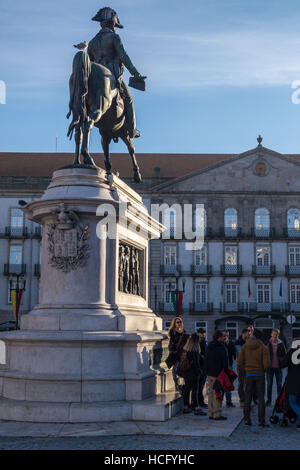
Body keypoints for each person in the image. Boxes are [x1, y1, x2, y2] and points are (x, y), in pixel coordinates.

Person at [87, 7, 143, 139]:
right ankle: (132, 129)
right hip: (111, 75)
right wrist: (135, 73)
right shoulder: (114, 37)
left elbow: (89, 64)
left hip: (94, 78)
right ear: (113, 23)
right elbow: (123, 56)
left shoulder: (92, 42)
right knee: (129, 100)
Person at [238, 328, 270, 427]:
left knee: (247, 397)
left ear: (253, 335)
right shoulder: (264, 347)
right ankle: (261, 421)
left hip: (249, 375)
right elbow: (267, 365)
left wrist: (247, 369)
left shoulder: (245, 346)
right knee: (261, 398)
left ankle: (247, 419)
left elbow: (240, 361)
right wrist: (263, 370)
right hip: (260, 375)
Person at [204, 330, 229, 421]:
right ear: (219, 337)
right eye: (223, 336)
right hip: (218, 374)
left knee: (211, 393)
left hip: (210, 373)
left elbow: (206, 359)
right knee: (217, 393)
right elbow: (225, 362)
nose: (224, 337)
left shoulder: (209, 346)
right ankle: (217, 414)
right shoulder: (221, 347)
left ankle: (210, 412)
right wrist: (226, 373)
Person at [180, 333, 206, 416]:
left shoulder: (186, 350)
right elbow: (196, 365)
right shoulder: (194, 352)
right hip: (194, 374)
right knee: (195, 391)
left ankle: (186, 407)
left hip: (186, 373)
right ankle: (196, 408)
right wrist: (200, 372)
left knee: (187, 389)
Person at [281, 338, 300, 431]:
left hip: (293, 381)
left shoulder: (291, 352)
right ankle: (299, 424)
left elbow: (283, 363)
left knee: (292, 402)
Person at [266, 328, 286, 406]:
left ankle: (279, 401)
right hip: (269, 368)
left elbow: (285, 354)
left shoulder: (281, 343)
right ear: (271, 334)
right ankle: (269, 400)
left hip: (278, 368)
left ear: (278, 335)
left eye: (276, 334)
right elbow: (264, 354)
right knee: (269, 385)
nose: (275, 336)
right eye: (274, 334)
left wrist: (283, 363)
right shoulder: (268, 343)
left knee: (279, 385)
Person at [167, 317, 185, 391]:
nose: (179, 323)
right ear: (174, 323)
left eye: (180, 322)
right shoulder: (172, 331)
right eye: (177, 322)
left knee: (183, 367)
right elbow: (174, 340)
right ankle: (176, 382)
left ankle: (182, 382)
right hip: (175, 352)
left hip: (182, 352)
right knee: (175, 368)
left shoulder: (183, 331)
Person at [224, 330, 236, 408]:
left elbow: (233, 353)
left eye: (227, 335)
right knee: (221, 384)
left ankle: (229, 401)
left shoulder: (231, 343)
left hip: (229, 366)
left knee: (228, 384)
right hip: (221, 367)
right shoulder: (220, 343)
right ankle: (218, 402)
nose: (226, 337)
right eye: (225, 335)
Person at [197, 328, 208, 408]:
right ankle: (200, 402)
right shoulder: (197, 342)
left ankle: (200, 401)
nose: (203, 335)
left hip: (203, 367)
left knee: (201, 386)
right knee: (199, 386)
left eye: (204, 334)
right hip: (199, 367)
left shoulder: (204, 342)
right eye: (202, 334)